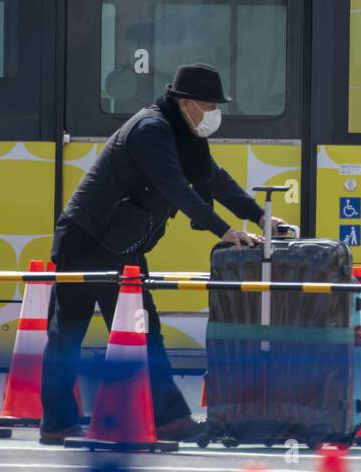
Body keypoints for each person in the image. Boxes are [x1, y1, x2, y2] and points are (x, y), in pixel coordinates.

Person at [39, 63, 293, 444]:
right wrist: (223, 231)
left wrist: (259, 216)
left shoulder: (184, 132)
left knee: (144, 330)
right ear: (186, 103)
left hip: (121, 245)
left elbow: (211, 178)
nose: (213, 112)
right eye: (209, 104)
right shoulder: (151, 129)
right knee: (68, 333)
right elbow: (176, 188)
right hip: (86, 240)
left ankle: (168, 417)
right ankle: (58, 422)